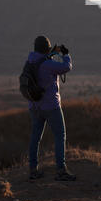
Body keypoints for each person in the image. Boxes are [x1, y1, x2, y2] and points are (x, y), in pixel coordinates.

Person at [28, 35, 76, 181]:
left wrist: (52, 53)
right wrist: (66, 55)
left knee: (35, 138)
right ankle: (61, 170)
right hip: (50, 106)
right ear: (45, 49)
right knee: (60, 135)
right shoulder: (47, 64)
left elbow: (42, 59)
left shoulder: (31, 60)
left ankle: (33, 170)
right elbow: (66, 67)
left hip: (34, 105)